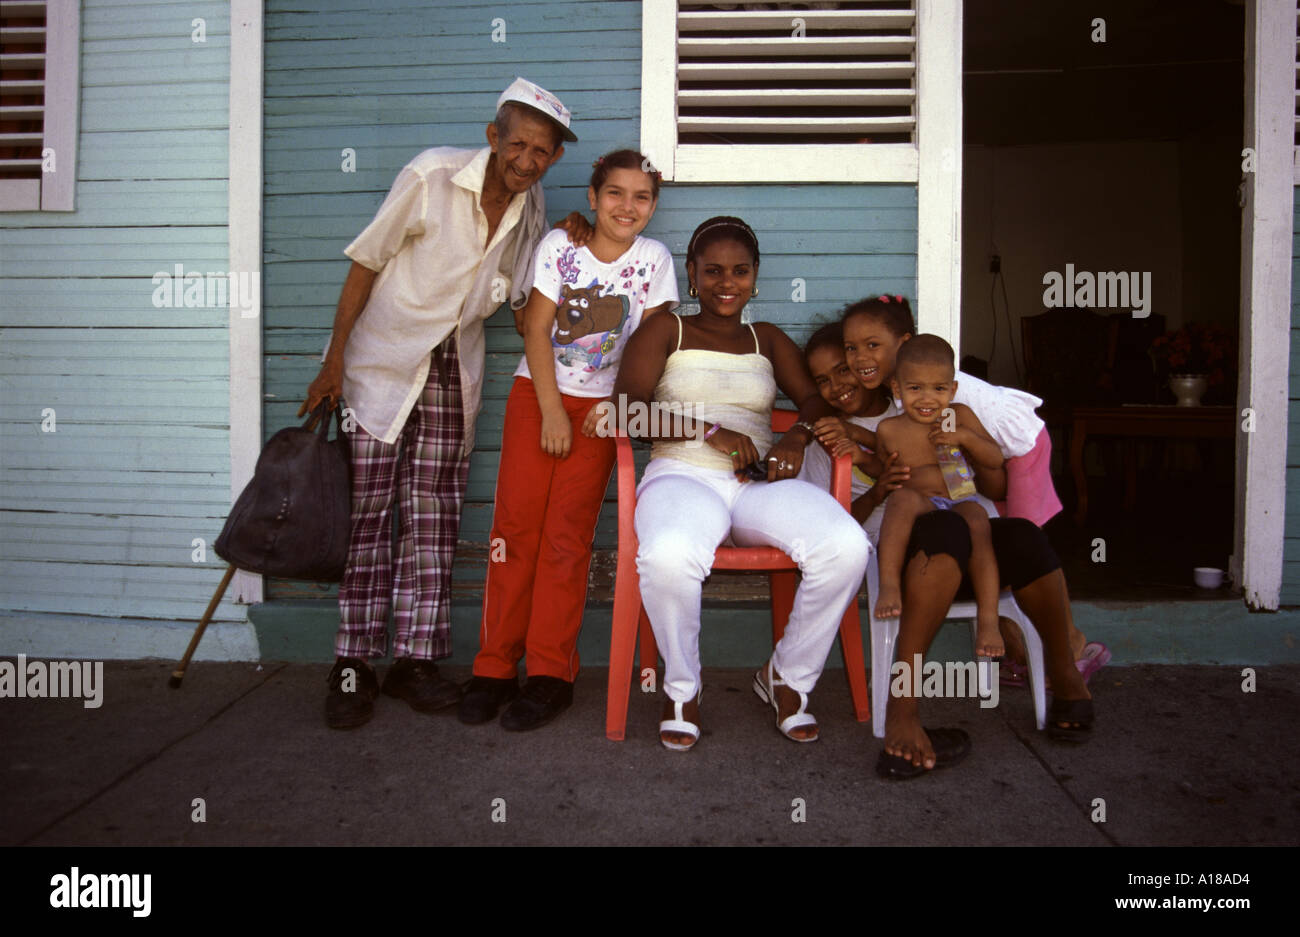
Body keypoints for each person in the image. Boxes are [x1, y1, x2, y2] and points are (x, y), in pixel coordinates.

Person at [301, 78, 574, 730]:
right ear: (493, 137)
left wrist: (572, 241)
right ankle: (353, 663)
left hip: (455, 365)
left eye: (542, 151)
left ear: (553, 158)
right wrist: (333, 357)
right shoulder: (432, 174)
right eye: (518, 144)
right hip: (381, 363)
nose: (527, 160)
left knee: (432, 518)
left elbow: (520, 303)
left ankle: (414, 662)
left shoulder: (531, 208)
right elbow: (366, 262)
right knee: (367, 516)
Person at [612, 217, 871, 751]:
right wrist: (707, 430)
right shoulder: (667, 330)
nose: (725, 283)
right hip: (682, 474)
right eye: (712, 271)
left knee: (846, 546)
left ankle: (787, 678)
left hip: (756, 483)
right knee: (667, 554)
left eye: (739, 271)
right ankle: (682, 688)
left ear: (755, 277)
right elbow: (629, 410)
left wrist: (797, 437)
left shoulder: (768, 339)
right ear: (691, 275)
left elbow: (814, 402)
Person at [459, 149, 678, 730]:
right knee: (514, 533)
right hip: (540, 397)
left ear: (653, 206)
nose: (626, 206)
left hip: (602, 412)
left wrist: (614, 406)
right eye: (614, 193)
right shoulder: (561, 247)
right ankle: (493, 667)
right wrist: (552, 410)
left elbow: (651, 340)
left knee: (566, 539)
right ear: (592, 196)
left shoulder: (654, 259)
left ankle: (552, 674)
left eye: (641, 196)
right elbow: (536, 324)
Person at [833, 296, 1096, 777]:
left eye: (873, 346)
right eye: (851, 352)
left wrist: (965, 448)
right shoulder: (860, 416)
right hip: (917, 552)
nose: (859, 362)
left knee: (1018, 533)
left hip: (971, 545)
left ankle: (1065, 674)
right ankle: (903, 711)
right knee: (945, 526)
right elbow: (862, 494)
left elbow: (993, 483)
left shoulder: (959, 411)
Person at [871, 335, 1006, 660]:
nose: (927, 399)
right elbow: (881, 471)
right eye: (915, 388)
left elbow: (996, 459)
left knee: (977, 518)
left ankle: (989, 618)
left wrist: (966, 439)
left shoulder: (958, 416)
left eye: (938, 389)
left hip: (958, 499)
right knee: (901, 500)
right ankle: (888, 583)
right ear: (897, 389)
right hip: (919, 503)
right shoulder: (889, 429)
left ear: (952, 390)